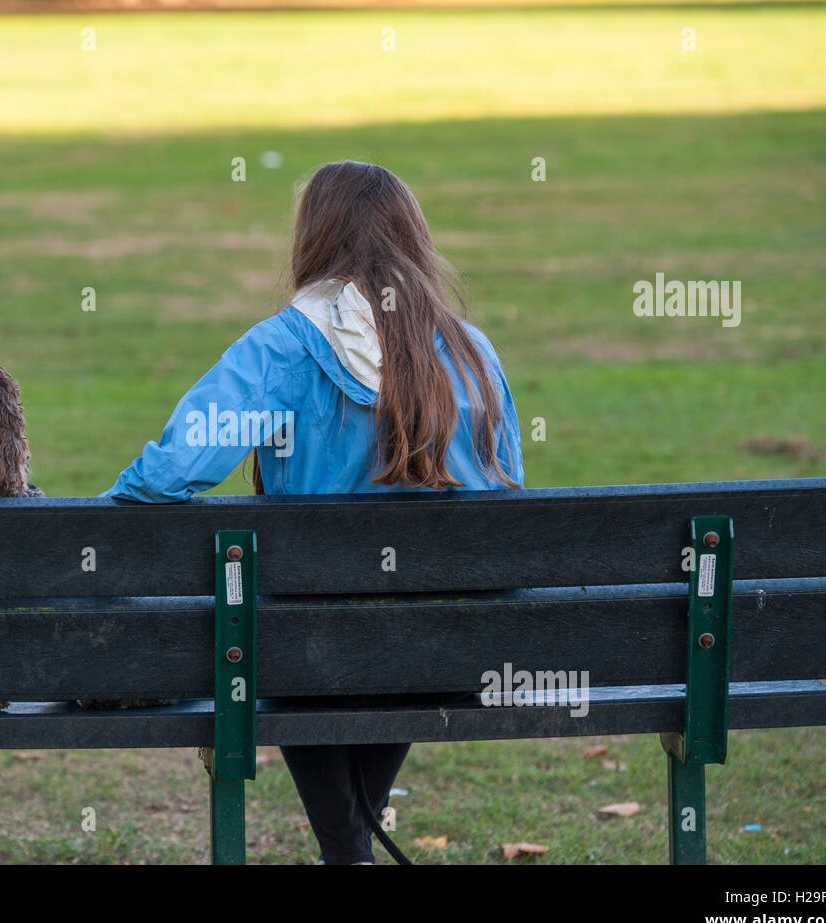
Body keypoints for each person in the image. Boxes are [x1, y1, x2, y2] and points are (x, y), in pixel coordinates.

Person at [101, 159, 525, 864]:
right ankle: (350, 844)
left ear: (313, 237)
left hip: (309, 643)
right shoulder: (475, 353)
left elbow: (173, 471)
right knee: (379, 624)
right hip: (452, 644)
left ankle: (348, 848)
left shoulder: (283, 347)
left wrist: (91, 516)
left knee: (291, 626)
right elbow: (508, 503)